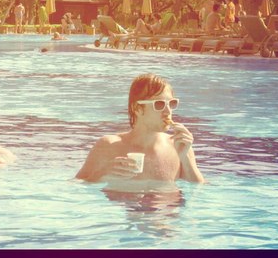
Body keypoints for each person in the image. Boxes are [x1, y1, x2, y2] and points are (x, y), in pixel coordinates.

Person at [76, 73, 204, 186]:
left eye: (171, 103)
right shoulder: (109, 146)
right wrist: (102, 173)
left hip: (167, 206)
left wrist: (185, 159)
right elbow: (76, 185)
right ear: (137, 108)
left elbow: (199, 189)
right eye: (159, 104)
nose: (168, 111)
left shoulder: (179, 145)